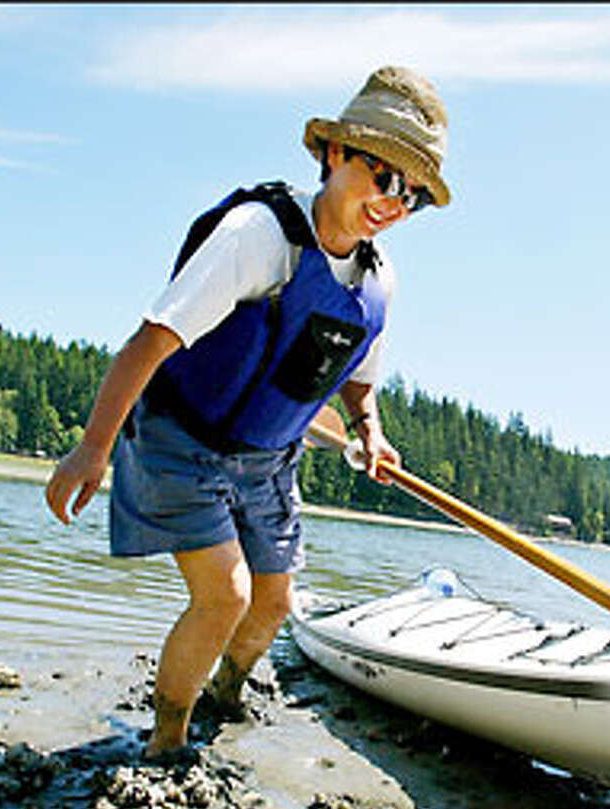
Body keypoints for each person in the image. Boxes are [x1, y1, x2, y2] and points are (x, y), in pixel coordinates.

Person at [44, 66, 451, 762]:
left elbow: (358, 376)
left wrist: (370, 430)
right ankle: (167, 742)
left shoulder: (379, 278)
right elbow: (150, 341)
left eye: (411, 194)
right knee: (225, 596)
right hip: (183, 440)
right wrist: (93, 448)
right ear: (333, 154)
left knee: (273, 602)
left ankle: (225, 695)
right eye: (384, 176)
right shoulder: (258, 234)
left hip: (270, 459)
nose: (393, 201)